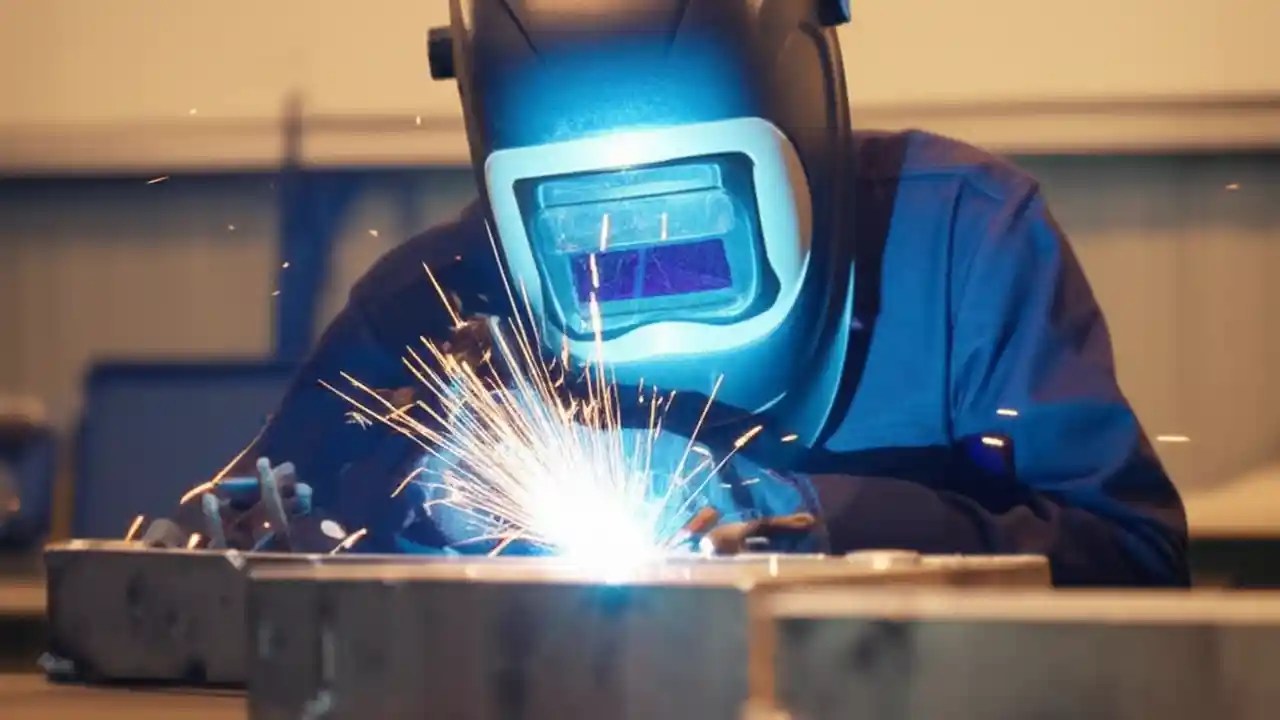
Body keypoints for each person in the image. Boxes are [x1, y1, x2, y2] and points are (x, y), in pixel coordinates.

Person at [163, 0, 1188, 586]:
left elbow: (1135, 568)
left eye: (686, 209)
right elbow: (231, 560)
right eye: (588, 222)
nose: (640, 254)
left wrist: (814, 523)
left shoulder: (961, 240)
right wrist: (363, 529)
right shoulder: (428, 310)